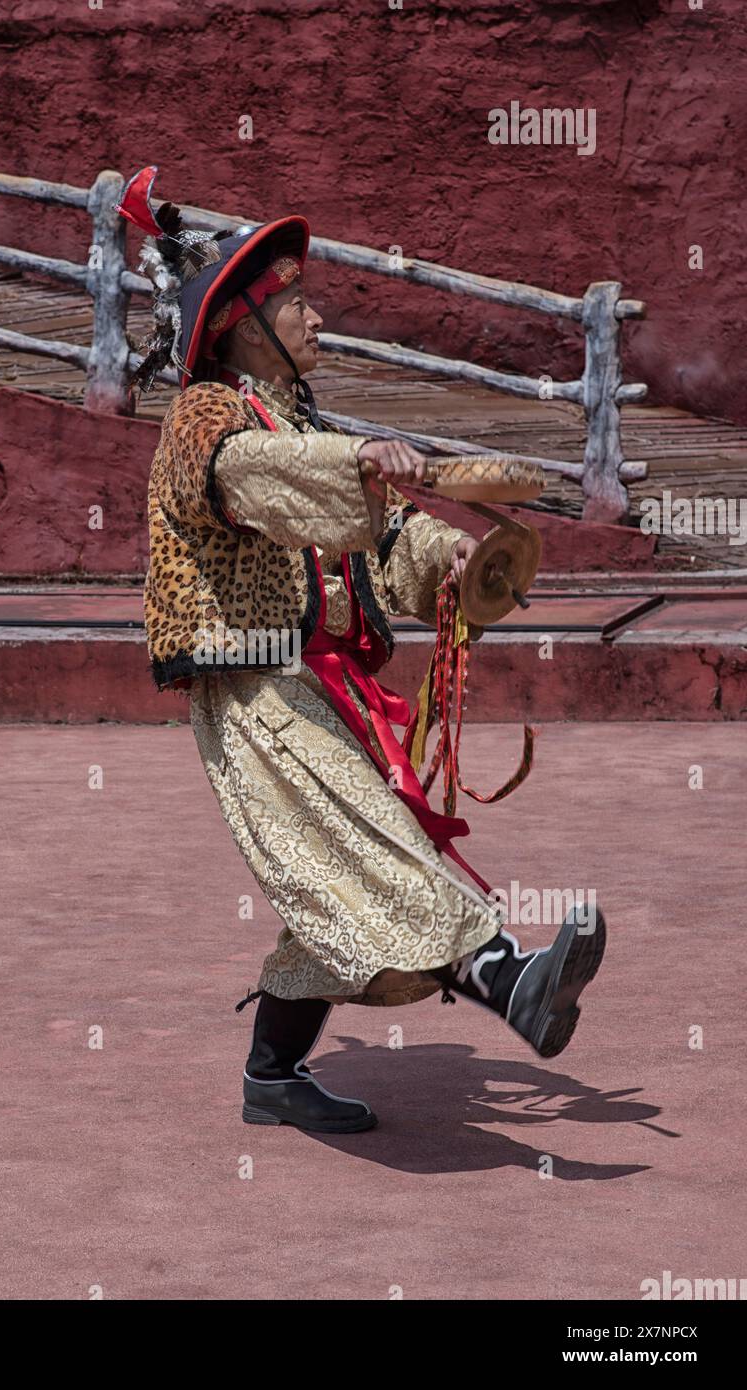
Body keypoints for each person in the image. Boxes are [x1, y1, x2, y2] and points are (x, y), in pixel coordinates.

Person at [116, 167, 606, 1134]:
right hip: (252, 689)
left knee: (329, 874)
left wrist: (454, 558)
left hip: (315, 686)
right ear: (244, 324)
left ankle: (272, 1075)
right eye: (295, 304)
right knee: (367, 847)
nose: (316, 320)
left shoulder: (300, 424)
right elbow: (263, 480)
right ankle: (511, 981)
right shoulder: (209, 422)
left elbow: (378, 541)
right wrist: (355, 462)